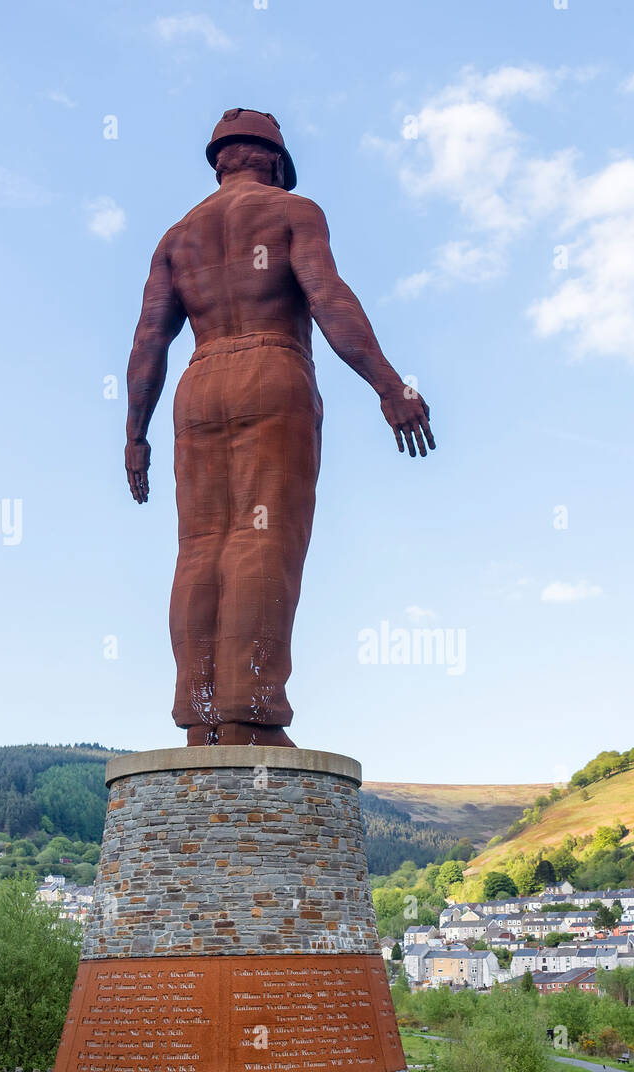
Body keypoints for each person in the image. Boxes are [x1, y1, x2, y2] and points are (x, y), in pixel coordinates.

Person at [125, 109, 434, 746]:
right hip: (271, 370)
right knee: (264, 539)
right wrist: (390, 384)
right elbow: (327, 296)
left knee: (201, 546)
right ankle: (252, 713)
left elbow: (149, 340)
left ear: (220, 160)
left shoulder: (177, 237)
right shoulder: (292, 211)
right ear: (271, 160)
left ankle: (201, 718)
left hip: (198, 381)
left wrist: (135, 434)